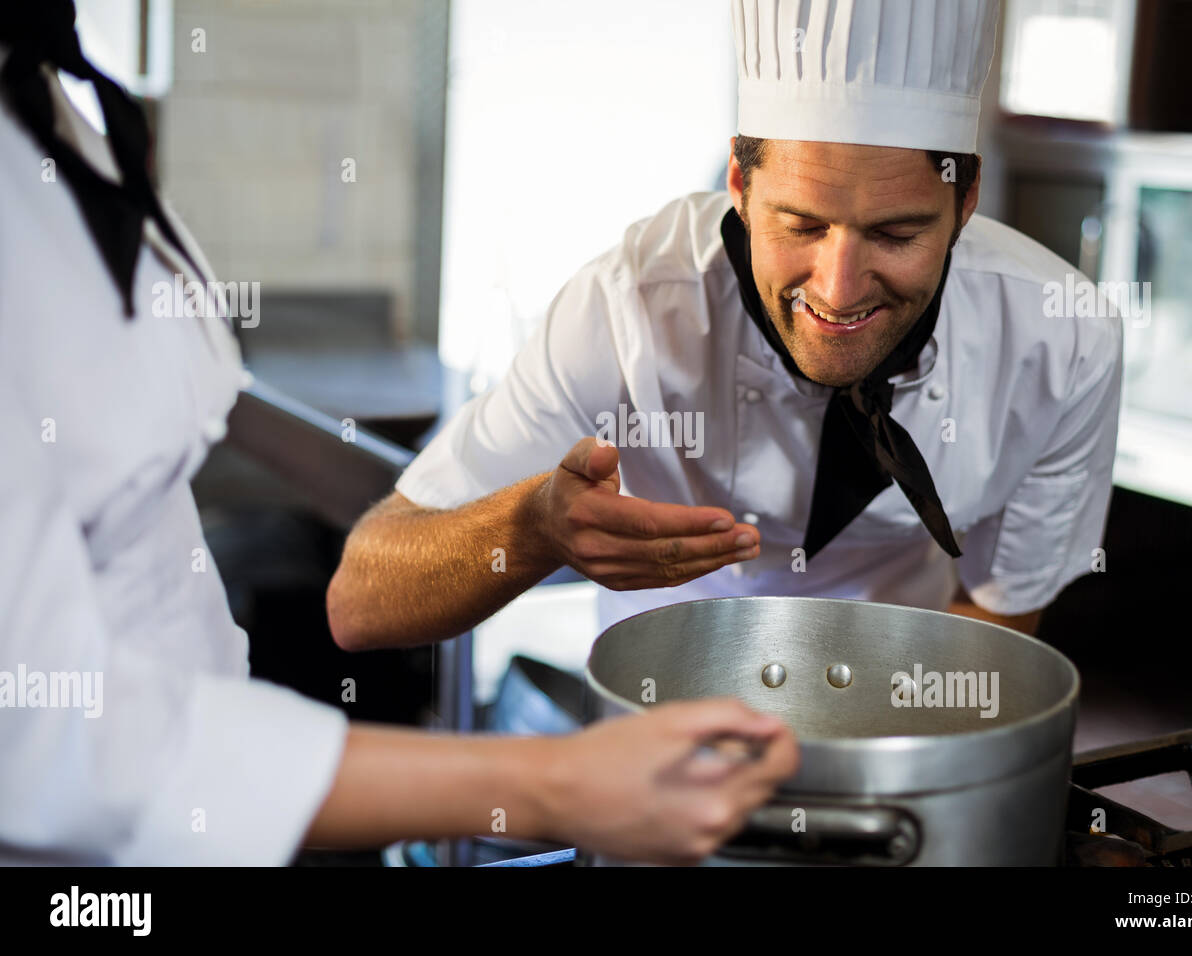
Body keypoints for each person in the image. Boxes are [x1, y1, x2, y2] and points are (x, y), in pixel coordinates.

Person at [0, 2, 798, 866]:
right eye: (802, 225)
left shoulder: (58, 119)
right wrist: (551, 781)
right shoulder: (633, 300)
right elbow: (51, 736)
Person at [326, 0, 1122, 651]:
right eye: (801, 225)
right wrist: (534, 528)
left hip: (893, 726)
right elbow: (360, 603)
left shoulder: (1061, 342)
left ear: (966, 200)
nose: (839, 290)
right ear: (740, 184)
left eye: (897, 234)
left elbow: (997, 624)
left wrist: (897, 784)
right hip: (649, 745)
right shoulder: (629, 306)